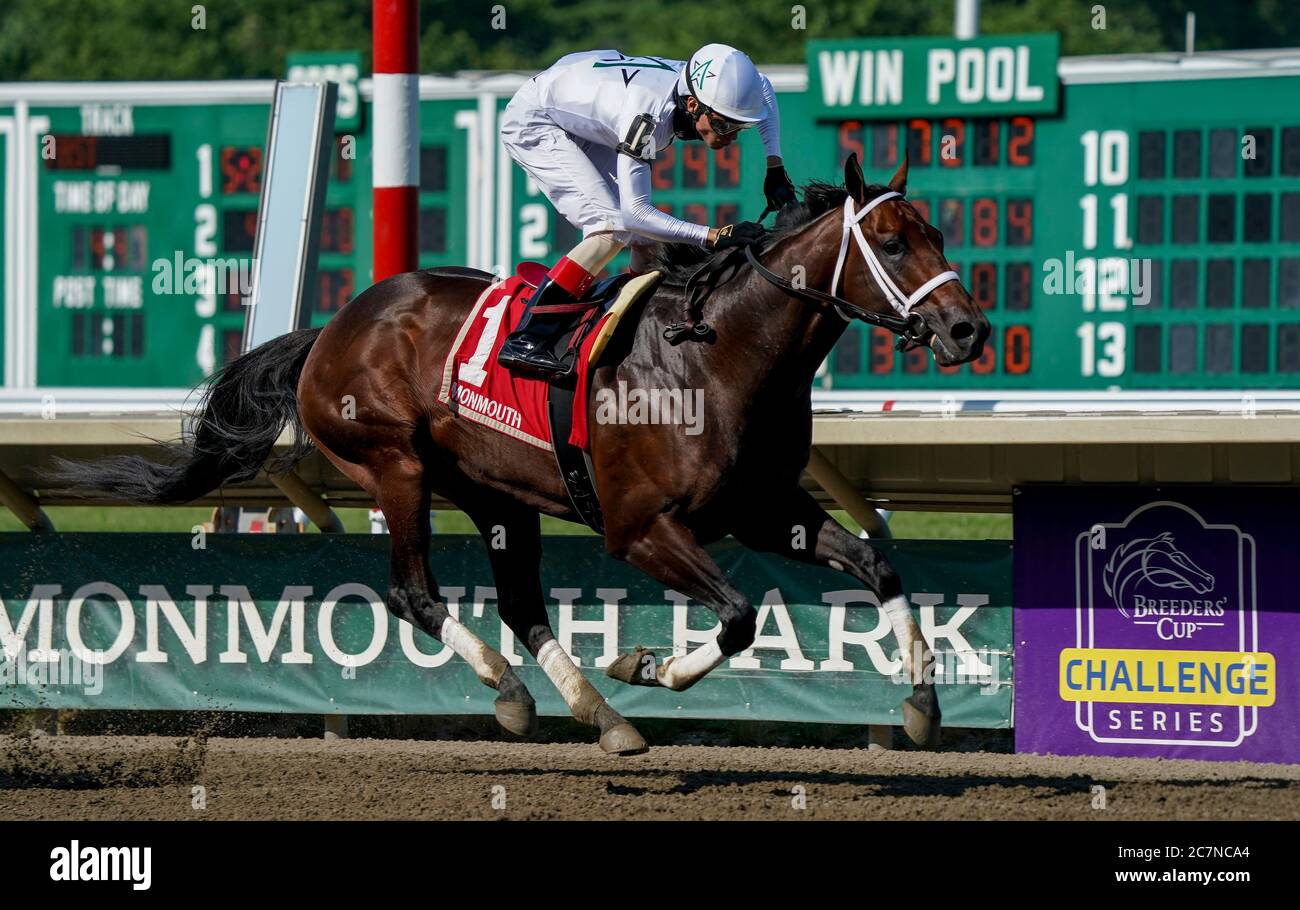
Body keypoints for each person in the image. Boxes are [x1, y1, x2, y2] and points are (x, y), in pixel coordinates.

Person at [496, 44, 797, 380]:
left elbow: (764, 87)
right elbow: (635, 213)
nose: (732, 137)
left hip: (582, 98)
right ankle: (529, 337)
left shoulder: (697, 90)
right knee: (610, 227)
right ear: (693, 105)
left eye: (739, 128)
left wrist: (775, 165)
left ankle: (635, 330)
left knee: (646, 242)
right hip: (537, 119)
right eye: (726, 125)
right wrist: (715, 236)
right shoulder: (647, 118)